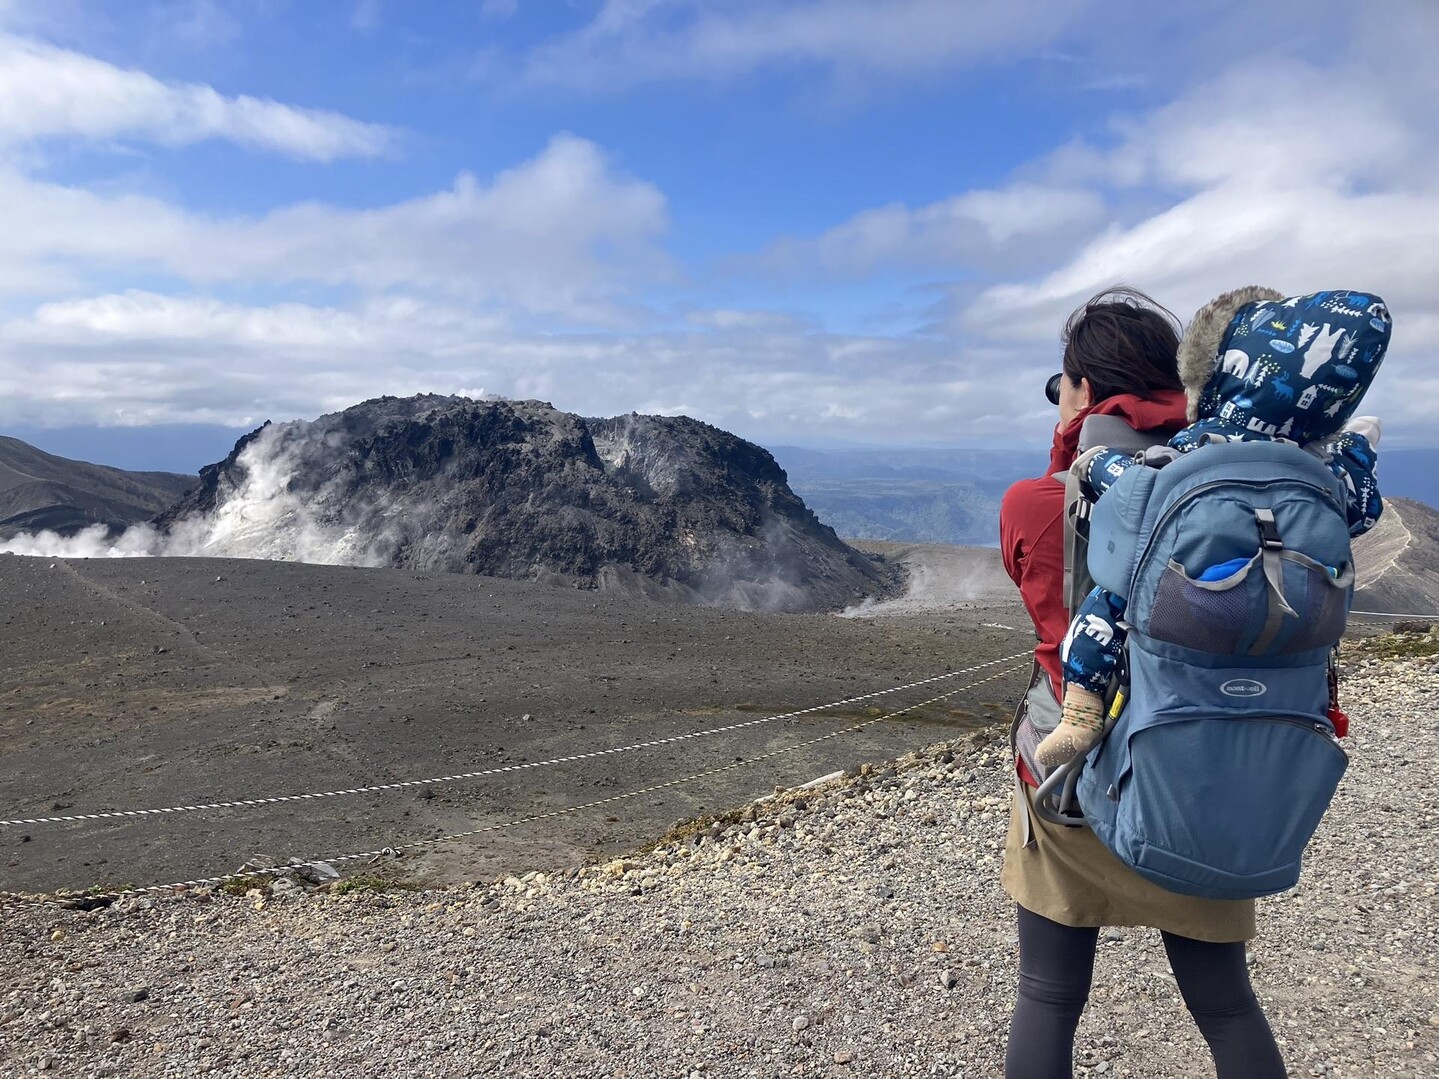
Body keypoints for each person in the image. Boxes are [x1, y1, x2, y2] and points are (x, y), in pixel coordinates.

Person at [998, 286, 1288, 1079]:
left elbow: (1048, 601)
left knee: (1047, 992)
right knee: (1225, 1005)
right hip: (1202, 776)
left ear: (1083, 388)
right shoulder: (1230, 502)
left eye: (1063, 384)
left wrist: (1069, 452)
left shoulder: (1031, 503)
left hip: (1069, 778)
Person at [1037, 286, 1390, 769]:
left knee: (1109, 599)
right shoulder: (1323, 469)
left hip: (1188, 605)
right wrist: (1356, 451)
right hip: (1288, 628)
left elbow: (1139, 489)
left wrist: (1094, 462)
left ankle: (1081, 712)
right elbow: (1364, 512)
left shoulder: (1203, 440)